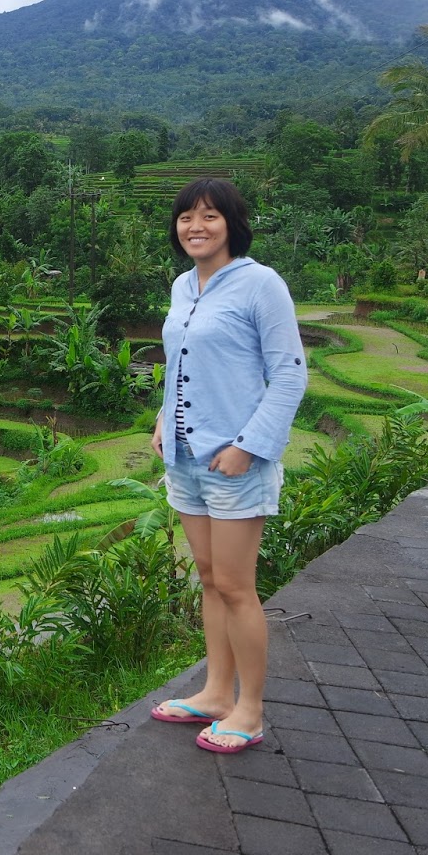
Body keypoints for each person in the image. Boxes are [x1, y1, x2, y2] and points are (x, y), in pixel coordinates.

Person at [148, 177, 306, 754]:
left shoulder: (260, 284)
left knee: (238, 587)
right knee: (211, 579)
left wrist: (250, 446)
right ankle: (215, 694)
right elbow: (179, 364)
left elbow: (289, 373)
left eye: (209, 216)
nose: (196, 226)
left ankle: (250, 710)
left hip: (235, 461)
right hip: (187, 456)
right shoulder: (183, 286)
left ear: (232, 224)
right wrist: (165, 421)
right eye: (186, 217)